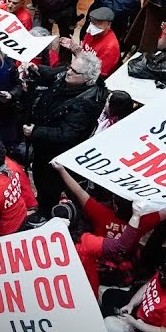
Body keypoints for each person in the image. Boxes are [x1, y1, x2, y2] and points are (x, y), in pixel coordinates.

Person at [24, 51, 105, 213]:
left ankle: (46, 212)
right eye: (70, 67)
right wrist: (37, 69)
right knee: (40, 178)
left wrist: (36, 132)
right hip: (43, 144)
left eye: (74, 71)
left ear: (87, 79)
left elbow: (66, 135)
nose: (68, 72)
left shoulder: (86, 104)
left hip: (56, 154)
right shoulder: (68, 76)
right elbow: (54, 73)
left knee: (48, 186)